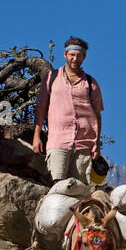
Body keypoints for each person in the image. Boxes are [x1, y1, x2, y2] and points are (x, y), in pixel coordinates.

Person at [33, 37, 105, 182]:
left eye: (79, 55)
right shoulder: (51, 78)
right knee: (56, 184)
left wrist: (96, 144)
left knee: (78, 189)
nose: (75, 58)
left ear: (84, 57)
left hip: (84, 143)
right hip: (58, 141)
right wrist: (37, 136)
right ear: (65, 55)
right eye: (72, 55)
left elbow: (97, 115)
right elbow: (41, 108)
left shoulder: (91, 83)